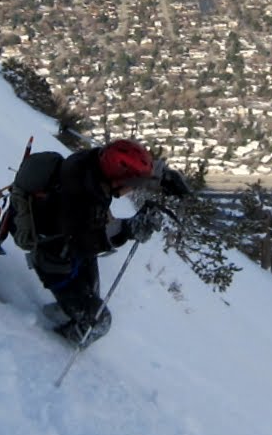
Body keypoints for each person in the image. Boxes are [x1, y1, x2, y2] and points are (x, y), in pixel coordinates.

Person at [22, 138, 188, 343]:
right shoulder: (78, 195)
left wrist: (163, 177)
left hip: (74, 247)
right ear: (117, 179)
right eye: (132, 185)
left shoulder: (95, 164)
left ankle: (62, 315)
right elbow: (83, 240)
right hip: (56, 260)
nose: (133, 189)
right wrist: (128, 229)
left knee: (91, 299)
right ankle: (50, 344)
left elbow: (125, 165)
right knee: (98, 322)